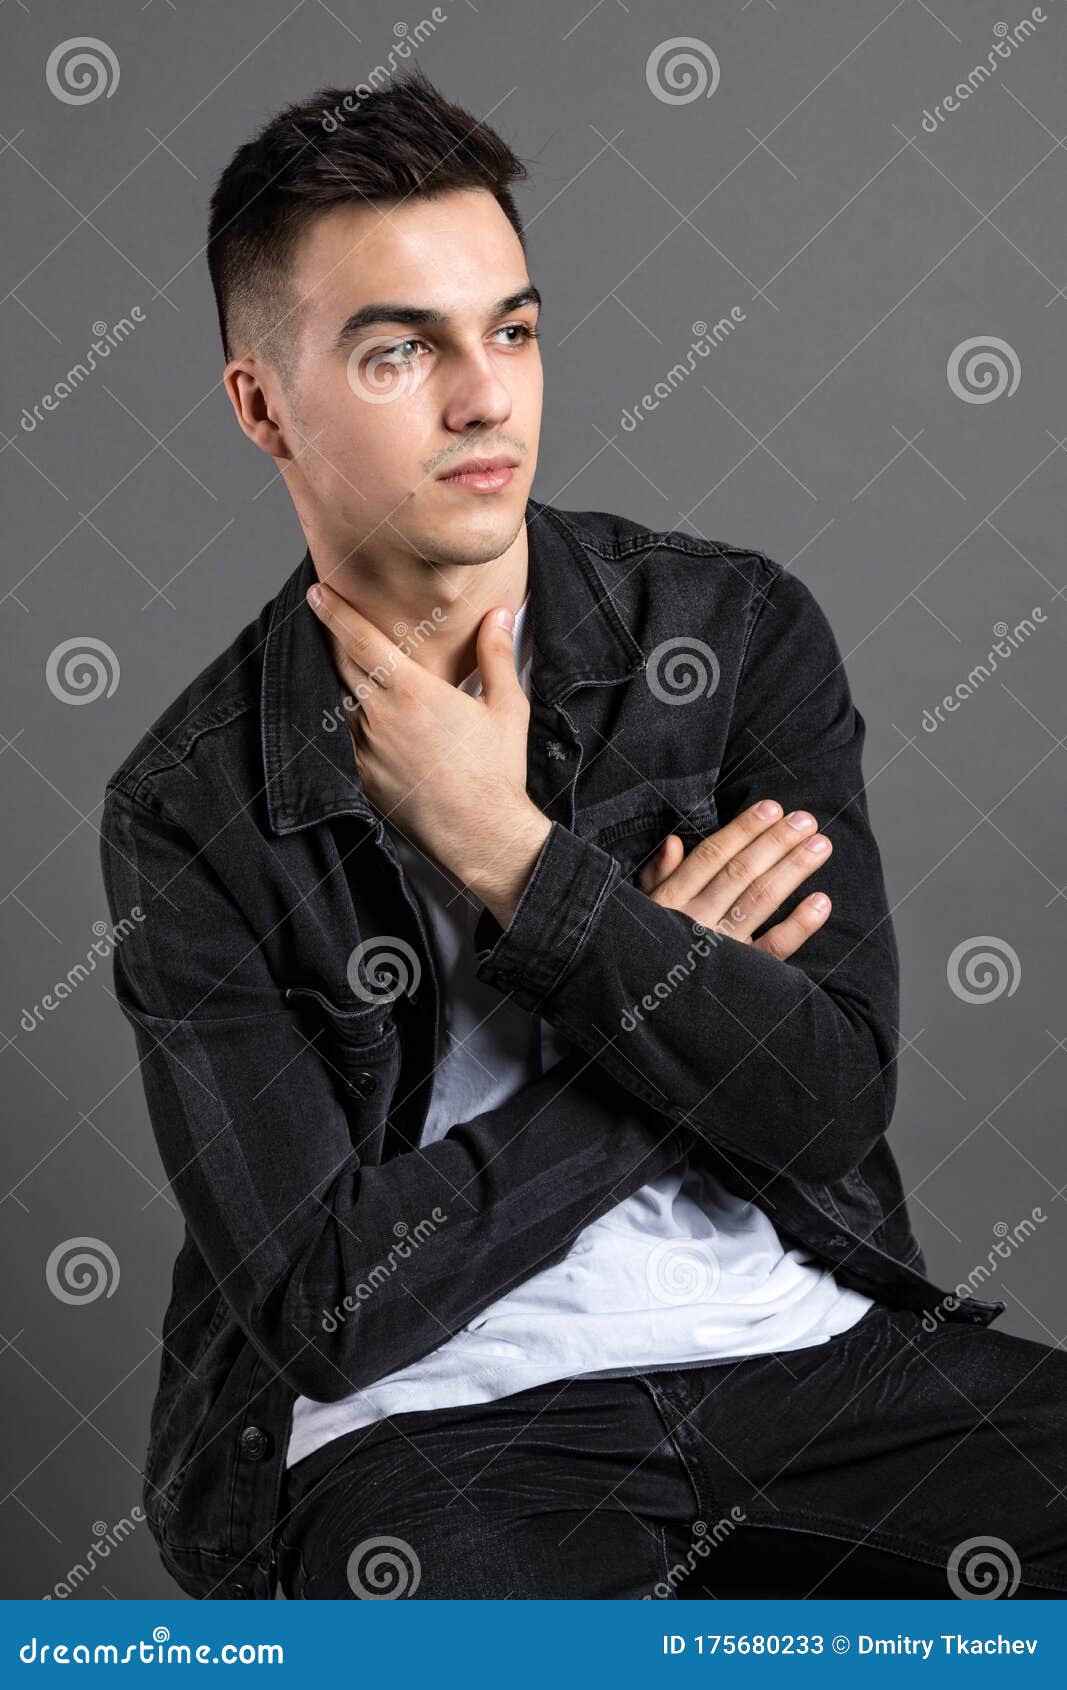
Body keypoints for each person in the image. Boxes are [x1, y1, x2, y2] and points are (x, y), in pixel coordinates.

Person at [99, 68, 1067, 1601]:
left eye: (516, 330)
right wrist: (674, 1013)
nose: (487, 396)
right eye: (402, 348)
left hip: (802, 1354)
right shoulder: (195, 799)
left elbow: (821, 1103)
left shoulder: (734, 635)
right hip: (431, 1429)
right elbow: (332, 1299)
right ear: (262, 402)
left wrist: (510, 857)